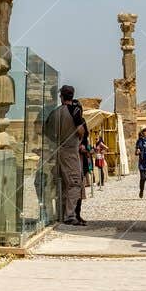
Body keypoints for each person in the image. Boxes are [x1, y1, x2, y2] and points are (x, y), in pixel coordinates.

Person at [52, 84, 86, 225]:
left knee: (62, 183)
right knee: (74, 183)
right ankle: (69, 215)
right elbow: (80, 131)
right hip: (70, 150)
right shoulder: (74, 110)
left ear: (61, 96)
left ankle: (61, 213)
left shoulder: (55, 112)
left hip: (57, 150)